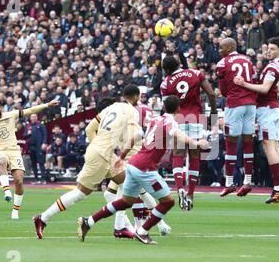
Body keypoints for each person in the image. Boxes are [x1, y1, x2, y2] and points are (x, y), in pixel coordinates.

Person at [76, 95, 208, 245]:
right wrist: (197, 143)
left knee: (126, 201)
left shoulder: (154, 121)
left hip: (132, 164)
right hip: (144, 169)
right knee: (168, 202)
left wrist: (122, 156)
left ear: (164, 108)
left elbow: (133, 138)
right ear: (179, 108)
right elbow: (179, 135)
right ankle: (142, 231)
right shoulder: (170, 122)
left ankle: (88, 222)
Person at [33, 85, 143, 239]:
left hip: (104, 152)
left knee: (127, 185)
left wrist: (96, 145)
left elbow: (89, 129)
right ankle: (43, 218)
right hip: (102, 154)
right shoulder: (133, 111)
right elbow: (132, 136)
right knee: (81, 193)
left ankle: (120, 227)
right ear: (137, 97)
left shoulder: (111, 108)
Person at [84, 95, 172, 238]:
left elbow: (131, 141)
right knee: (115, 194)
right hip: (131, 160)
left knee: (137, 195)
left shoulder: (122, 122)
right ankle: (128, 226)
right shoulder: (128, 116)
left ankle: (144, 226)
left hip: (134, 162)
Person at [0, 98, 59, 220]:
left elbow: (30, 110)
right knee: (2, 162)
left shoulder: (11, 115)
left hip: (14, 152)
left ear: (1, 108)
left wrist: (47, 104)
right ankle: (7, 191)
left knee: (19, 181)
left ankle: (15, 210)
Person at [234, 37, 279, 204]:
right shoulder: (275, 65)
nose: (268, 51)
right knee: (274, 147)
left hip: (266, 109)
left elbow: (265, 89)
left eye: (272, 48)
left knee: (269, 147)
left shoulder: (273, 67)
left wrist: (243, 84)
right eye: (268, 48)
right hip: (272, 109)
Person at [161, 56, 217, 210]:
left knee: (178, 154)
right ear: (179, 64)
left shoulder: (166, 83)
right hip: (197, 119)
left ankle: (179, 188)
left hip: (178, 118)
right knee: (194, 156)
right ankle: (191, 194)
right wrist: (213, 113)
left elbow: (166, 107)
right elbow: (211, 94)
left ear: (166, 70)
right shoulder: (196, 73)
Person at [216, 37, 258, 198]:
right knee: (248, 142)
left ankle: (229, 183)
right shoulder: (247, 60)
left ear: (229, 47)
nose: (219, 50)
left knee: (230, 142)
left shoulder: (222, 63)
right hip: (251, 104)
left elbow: (224, 91)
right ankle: (247, 181)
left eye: (221, 48)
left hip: (235, 104)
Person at [25, 114, 48, 184]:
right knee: (33, 163)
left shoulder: (41, 125)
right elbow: (24, 135)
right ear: (30, 118)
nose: (34, 118)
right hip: (31, 147)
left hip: (39, 146)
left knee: (41, 162)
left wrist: (44, 143)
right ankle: (36, 178)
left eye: (35, 117)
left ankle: (43, 179)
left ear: (37, 117)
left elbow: (45, 134)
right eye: (32, 117)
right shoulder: (28, 126)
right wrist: (28, 133)